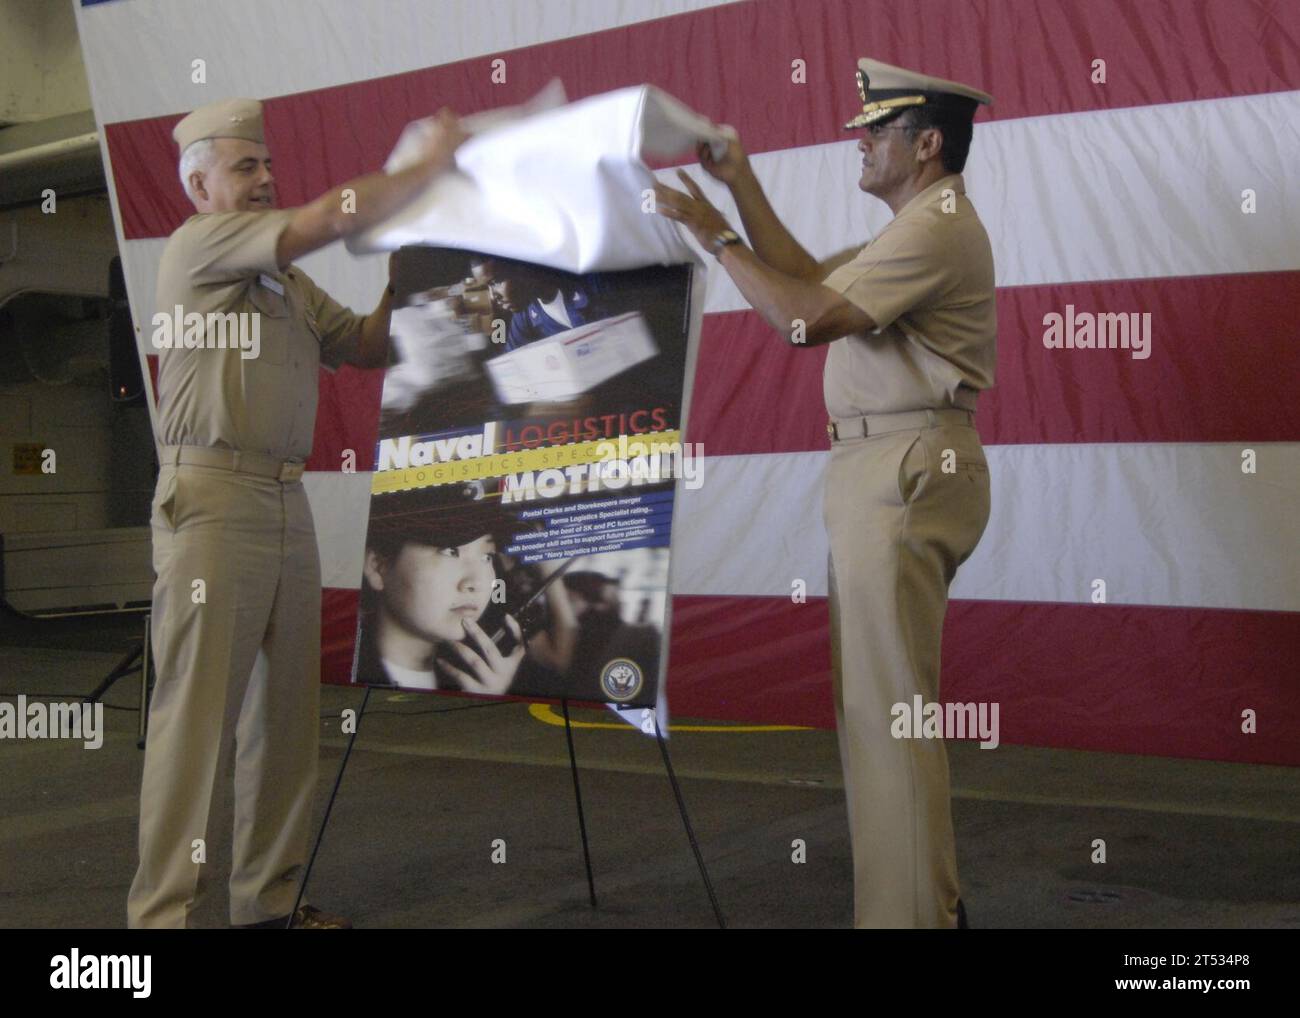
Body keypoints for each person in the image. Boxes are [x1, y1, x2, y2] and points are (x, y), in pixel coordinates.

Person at [654, 58, 996, 929]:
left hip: (904, 466)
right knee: (880, 711)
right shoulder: (919, 221)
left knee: (890, 715)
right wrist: (739, 186)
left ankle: (914, 917)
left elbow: (800, 320)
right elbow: (809, 276)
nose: (860, 138)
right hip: (885, 467)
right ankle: (917, 908)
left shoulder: (935, 226)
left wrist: (715, 236)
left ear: (926, 144)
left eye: (876, 129)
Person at [129, 97, 465, 929]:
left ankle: (266, 907)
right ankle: (162, 917)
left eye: (268, 166)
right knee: (194, 724)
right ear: (200, 183)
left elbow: (368, 346)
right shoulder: (198, 244)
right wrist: (420, 168)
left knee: (284, 720)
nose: (265, 180)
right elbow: (319, 218)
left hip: (284, 497)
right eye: (246, 167)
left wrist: (407, 267)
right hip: (209, 500)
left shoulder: (285, 284)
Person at [357, 485, 537, 693]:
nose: (477, 583)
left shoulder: (489, 679)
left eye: (487, 556)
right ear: (378, 566)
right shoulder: (341, 671)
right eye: (450, 551)